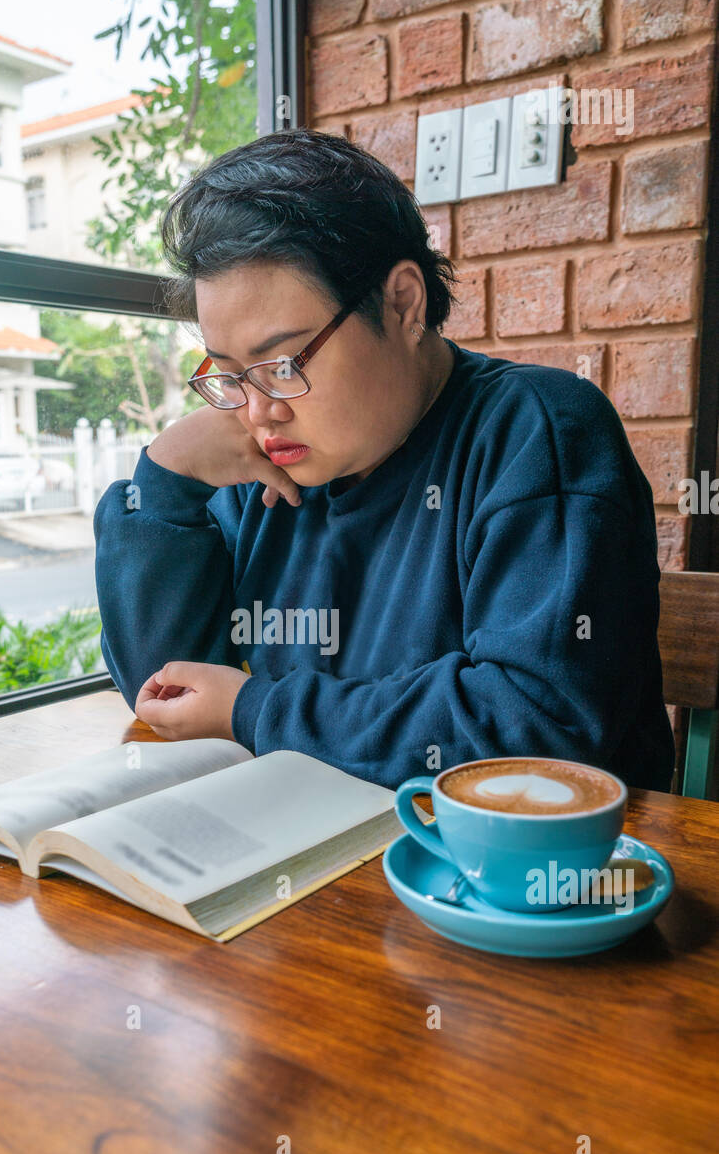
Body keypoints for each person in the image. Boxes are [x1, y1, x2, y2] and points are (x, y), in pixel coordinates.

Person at [93, 128, 676, 794]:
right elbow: (168, 693)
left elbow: (536, 725)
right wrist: (166, 484)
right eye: (229, 373)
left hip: (512, 877)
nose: (257, 410)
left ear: (402, 301)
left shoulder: (533, 431)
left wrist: (255, 708)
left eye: (283, 364)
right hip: (306, 847)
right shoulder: (260, 466)